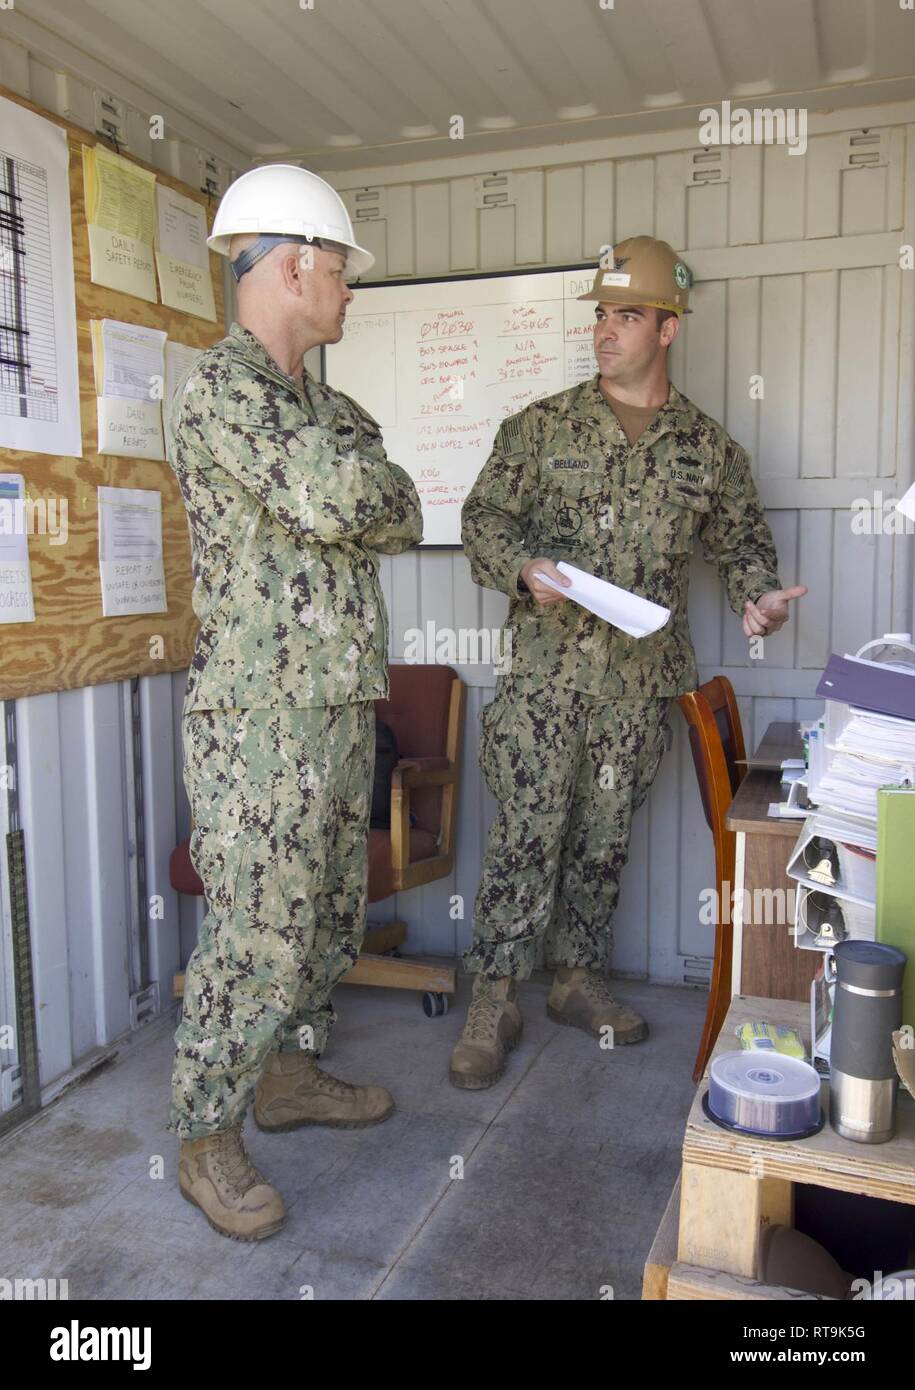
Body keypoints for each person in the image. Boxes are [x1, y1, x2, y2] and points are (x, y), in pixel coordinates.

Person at [450, 235, 806, 1089]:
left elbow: (741, 545)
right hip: (545, 681)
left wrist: (757, 598)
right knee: (523, 838)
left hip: (640, 686)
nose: (605, 331)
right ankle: (492, 1000)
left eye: (626, 316)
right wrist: (524, 569)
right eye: (601, 314)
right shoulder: (539, 429)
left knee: (603, 843)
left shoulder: (706, 449)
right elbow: (482, 522)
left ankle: (575, 980)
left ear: (667, 328)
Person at [165, 165, 423, 1239]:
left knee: (323, 915)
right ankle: (204, 1136)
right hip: (258, 719)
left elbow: (402, 507)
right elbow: (344, 492)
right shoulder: (220, 391)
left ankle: (287, 1077)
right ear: (295, 265)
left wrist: (358, 489)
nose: (349, 291)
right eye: (342, 271)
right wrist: (353, 488)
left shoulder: (328, 408)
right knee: (256, 935)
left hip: (335, 703)